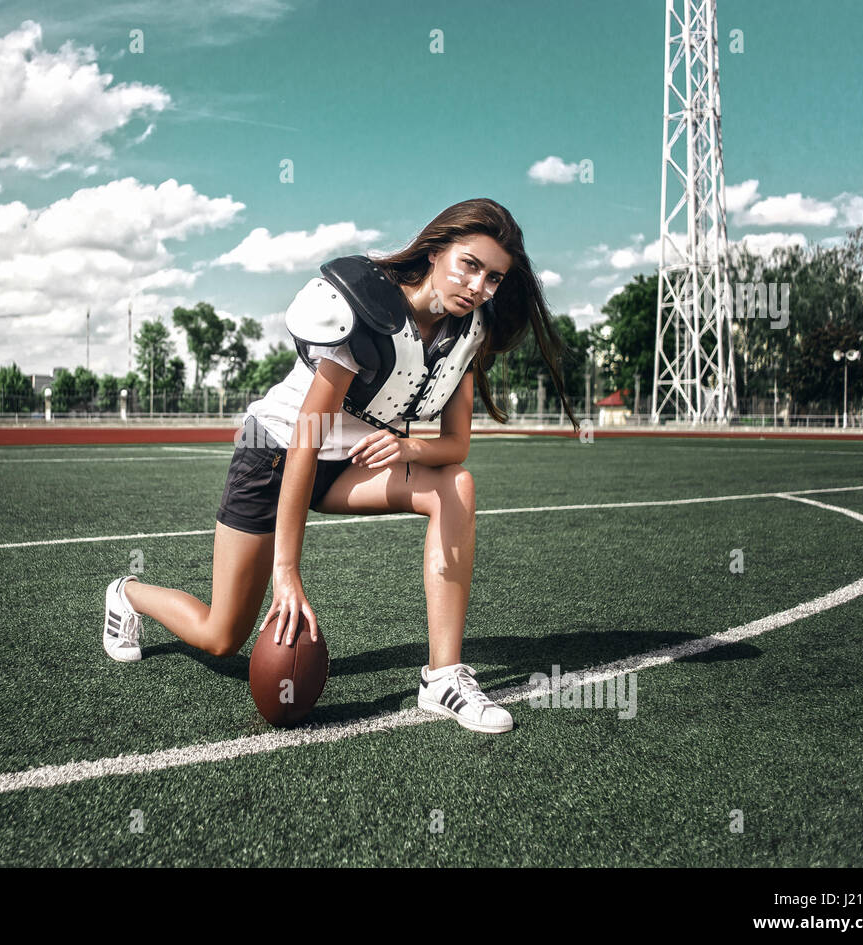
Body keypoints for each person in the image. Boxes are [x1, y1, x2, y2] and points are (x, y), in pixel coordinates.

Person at [102, 198, 579, 733]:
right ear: (437, 250)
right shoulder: (368, 311)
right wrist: (287, 573)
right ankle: (127, 594)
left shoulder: (467, 334)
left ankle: (443, 677)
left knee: (456, 487)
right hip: (276, 453)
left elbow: (455, 447)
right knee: (222, 635)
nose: (478, 286)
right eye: (469, 264)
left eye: (494, 278)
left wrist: (409, 448)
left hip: (348, 466)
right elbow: (305, 440)